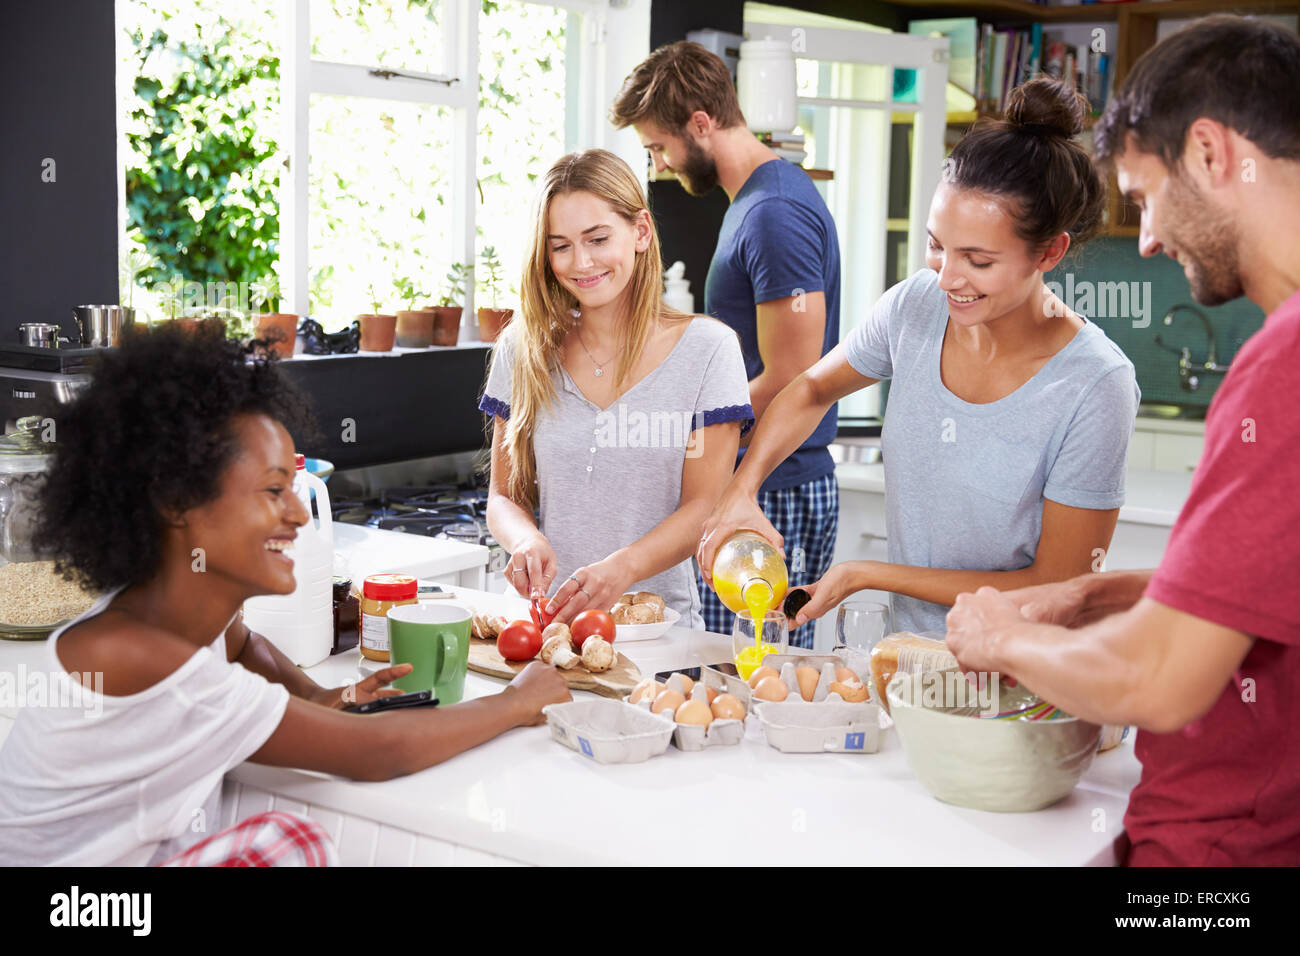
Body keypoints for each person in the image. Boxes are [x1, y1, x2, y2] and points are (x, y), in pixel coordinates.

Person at [0, 323, 571, 866]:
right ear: (177, 501)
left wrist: (325, 697)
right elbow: (378, 752)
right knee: (288, 840)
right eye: (275, 490)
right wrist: (513, 703)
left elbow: (242, 643)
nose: (299, 513)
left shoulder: (160, 617)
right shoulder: (147, 658)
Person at [944, 14, 1300, 866]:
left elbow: (1158, 682)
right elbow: (1259, 594)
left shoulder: (1281, 368)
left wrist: (1002, 640)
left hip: (1216, 867)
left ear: (1210, 154)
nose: (1146, 239)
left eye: (1143, 197)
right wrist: (1093, 598)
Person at [699, 77, 1139, 638]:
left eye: (978, 260)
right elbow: (810, 389)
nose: (948, 277)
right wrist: (742, 489)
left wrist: (869, 574)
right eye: (937, 245)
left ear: (1049, 251)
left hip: (1027, 689)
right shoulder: (916, 307)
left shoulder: (1096, 383)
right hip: (907, 671)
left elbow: (1059, 582)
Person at [611, 41, 841, 646]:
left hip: (775, 487)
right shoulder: (758, 203)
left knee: (747, 681)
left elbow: (795, 374)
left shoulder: (775, 213)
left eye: (659, 146)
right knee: (737, 678)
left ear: (701, 124)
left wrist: (693, 437)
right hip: (767, 481)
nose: (660, 164)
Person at [480, 149, 752, 628]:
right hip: (545, 627)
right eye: (559, 245)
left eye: (598, 238)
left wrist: (622, 569)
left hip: (654, 633)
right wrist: (524, 540)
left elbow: (704, 508)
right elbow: (504, 498)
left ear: (641, 232)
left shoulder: (709, 350)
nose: (580, 262)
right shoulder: (523, 348)